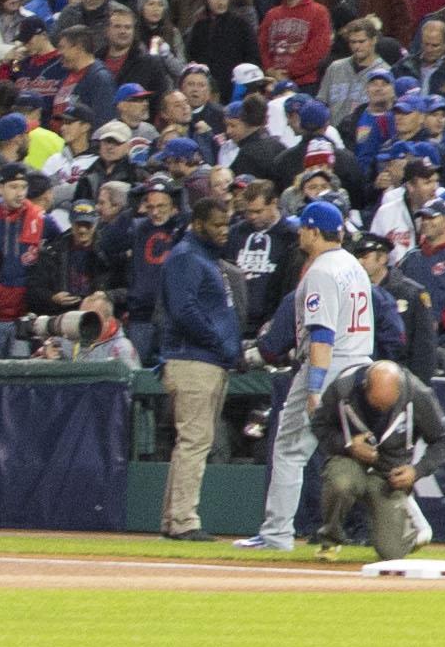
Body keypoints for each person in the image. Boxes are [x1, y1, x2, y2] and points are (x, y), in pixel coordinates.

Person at [245, 196, 375, 553]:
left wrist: (315, 386)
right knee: (359, 453)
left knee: (289, 449)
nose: (299, 235)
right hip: (359, 365)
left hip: (329, 365)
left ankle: (275, 534)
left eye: (303, 228)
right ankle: (405, 525)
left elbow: (322, 335)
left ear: (314, 232)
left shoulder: (321, 270)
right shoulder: (352, 264)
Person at [134, 195, 245, 535]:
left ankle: (174, 518)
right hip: (193, 359)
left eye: (226, 224)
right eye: (216, 225)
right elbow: (183, 311)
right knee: (194, 441)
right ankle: (183, 520)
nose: (224, 231)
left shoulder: (205, 258)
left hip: (206, 360)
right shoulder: (186, 257)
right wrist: (219, 342)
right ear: (198, 224)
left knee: (193, 442)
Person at [309, 356, 445, 556]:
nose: (382, 411)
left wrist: (417, 470)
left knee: (391, 554)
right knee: (341, 483)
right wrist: (348, 444)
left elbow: (443, 439)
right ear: (365, 388)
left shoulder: (417, 394)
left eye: (388, 406)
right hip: (351, 461)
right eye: (377, 405)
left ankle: (407, 519)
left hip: (389, 476)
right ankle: (330, 539)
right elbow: (319, 426)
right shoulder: (343, 388)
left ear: (399, 391)